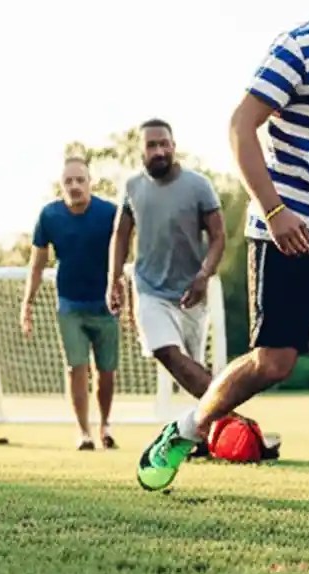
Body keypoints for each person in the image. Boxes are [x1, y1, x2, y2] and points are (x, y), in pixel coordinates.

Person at [134, 0, 309, 502]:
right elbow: (241, 126)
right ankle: (187, 429)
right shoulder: (302, 45)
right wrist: (274, 210)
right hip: (284, 228)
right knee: (274, 362)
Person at [108, 119, 226, 403]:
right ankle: (231, 413)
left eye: (164, 144)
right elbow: (121, 235)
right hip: (149, 291)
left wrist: (204, 275)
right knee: (165, 351)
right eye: (151, 145)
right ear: (141, 151)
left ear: (174, 146)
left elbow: (219, 236)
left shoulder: (199, 186)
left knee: (191, 369)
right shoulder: (132, 187)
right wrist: (114, 280)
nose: (159, 151)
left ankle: (217, 422)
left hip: (191, 295)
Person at [22, 157, 120, 450]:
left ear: (91, 183)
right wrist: (27, 304)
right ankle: (83, 432)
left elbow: (126, 261)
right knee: (76, 367)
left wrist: (127, 302)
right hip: (69, 305)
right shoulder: (49, 216)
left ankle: (105, 426)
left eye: (80, 180)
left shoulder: (110, 214)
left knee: (106, 371)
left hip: (105, 307)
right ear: (61, 185)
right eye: (69, 181)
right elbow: (37, 266)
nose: (74, 186)